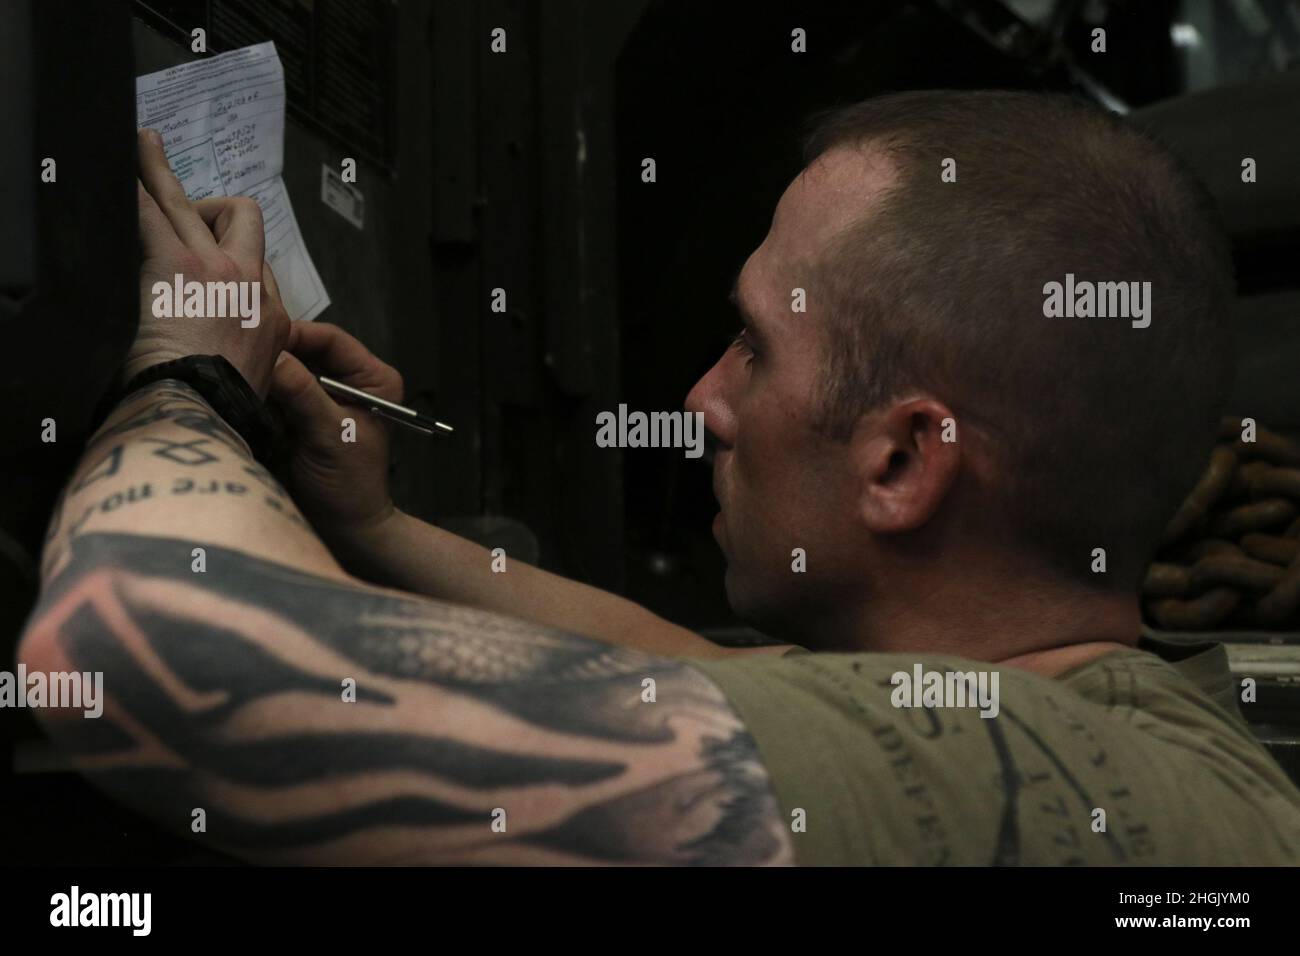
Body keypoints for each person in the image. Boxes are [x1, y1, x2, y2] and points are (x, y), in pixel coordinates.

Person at [18, 91, 1300, 865]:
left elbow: (143, 647)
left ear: (904, 459)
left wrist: (186, 371)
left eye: (752, 346)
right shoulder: (1059, 699)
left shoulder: (1041, 791)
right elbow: (684, 664)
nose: (701, 400)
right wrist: (375, 520)